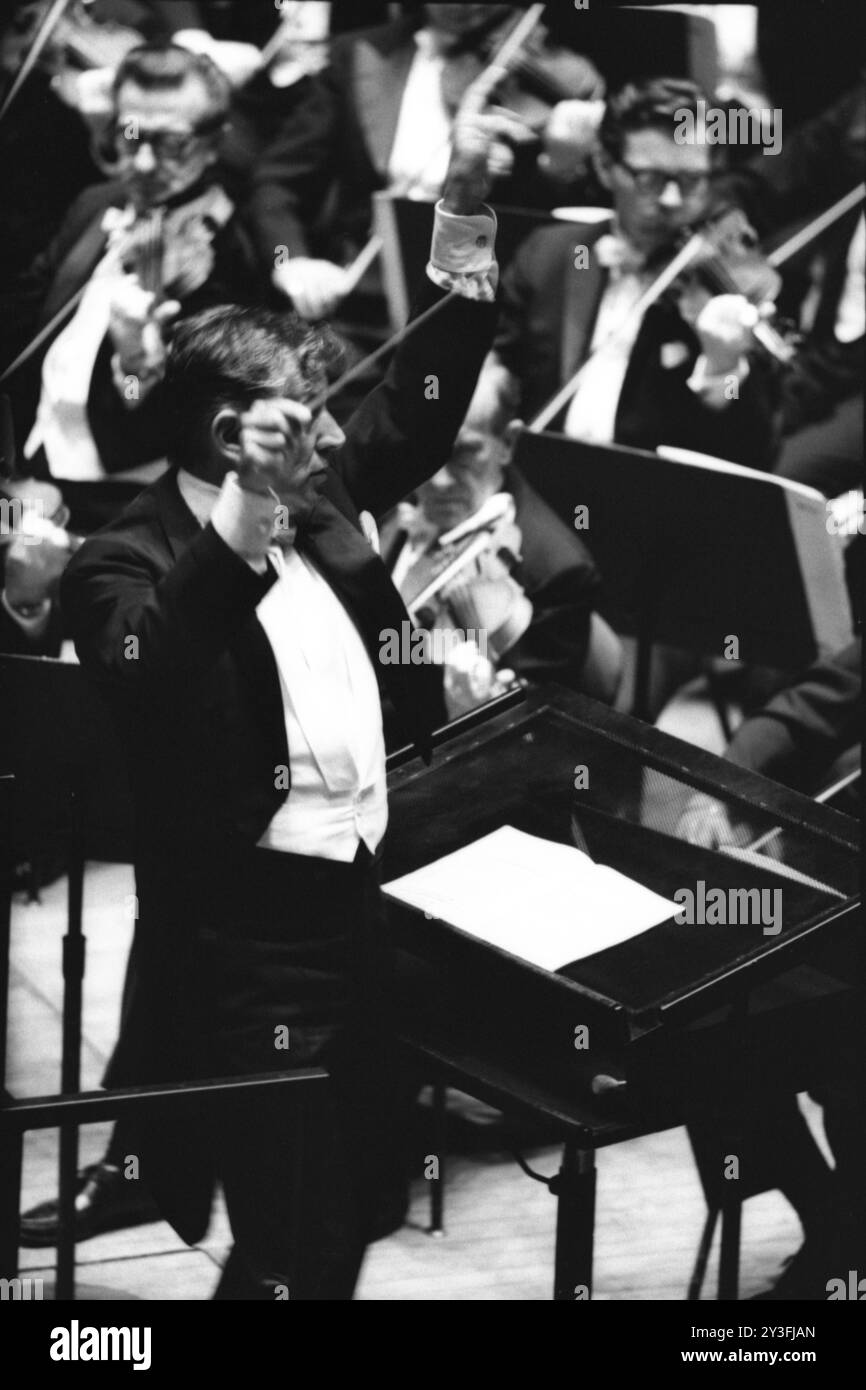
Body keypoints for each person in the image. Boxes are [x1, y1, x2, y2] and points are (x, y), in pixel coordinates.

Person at [57, 108, 504, 1299]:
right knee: (297, 1216)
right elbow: (148, 669)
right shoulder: (126, 557)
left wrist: (460, 239)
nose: (330, 429)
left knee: (352, 1206)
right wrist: (246, 507)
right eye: (301, 414)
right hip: (243, 940)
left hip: (367, 902)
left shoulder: (324, 492)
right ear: (229, 431)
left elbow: (413, 402)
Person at [3, 41, 273, 533]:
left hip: (125, 509)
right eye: (131, 136)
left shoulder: (233, 255)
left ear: (214, 143)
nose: (144, 164)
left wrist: (132, 364)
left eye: (173, 145)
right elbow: (19, 320)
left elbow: (158, 426)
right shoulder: (96, 204)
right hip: (30, 470)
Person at [474, 77, 780, 469]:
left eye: (690, 182)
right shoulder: (549, 254)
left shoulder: (732, 288)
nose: (671, 200)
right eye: (650, 179)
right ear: (604, 167)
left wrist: (724, 370)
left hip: (646, 510)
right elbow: (498, 363)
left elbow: (758, 452)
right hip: (534, 486)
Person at [247, 4, 604, 326]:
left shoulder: (564, 81)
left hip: (482, 310)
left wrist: (558, 168)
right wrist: (289, 260)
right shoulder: (359, 52)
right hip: (360, 303)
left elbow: (558, 235)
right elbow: (277, 181)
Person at [379, 403, 621, 724]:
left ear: (507, 442)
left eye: (464, 452)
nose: (438, 480)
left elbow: (524, 733)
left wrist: (469, 691)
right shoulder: (390, 505)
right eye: (426, 450)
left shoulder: (557, 573)